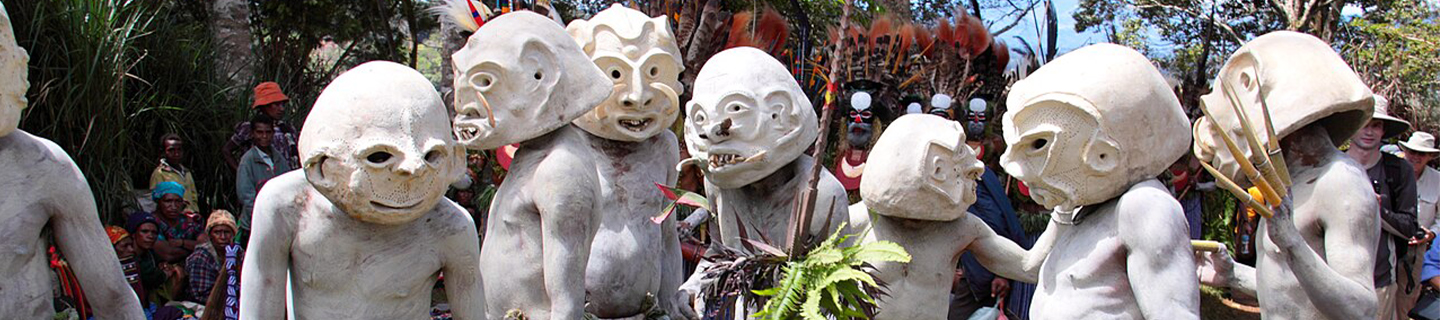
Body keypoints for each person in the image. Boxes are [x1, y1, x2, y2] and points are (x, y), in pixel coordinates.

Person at [1347, 96, 1429, 320]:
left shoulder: (1397, 171)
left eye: (1376, 125)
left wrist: (1377, 208)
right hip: (1333, 281)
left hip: (1380, 281)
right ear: (1352, 127)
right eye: (1364, 123)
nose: (1369, 131)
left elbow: (1409, 228)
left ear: (1383, 131)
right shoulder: (1331, 166)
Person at [235, 114, 293, 239]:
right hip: (254, 227)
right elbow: (246, 197)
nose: (264, 136)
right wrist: (265, 219)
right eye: (259, 132)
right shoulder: (247, 161)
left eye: (268, 132)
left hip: (280, 224)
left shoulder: (278, 158)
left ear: (273, 133)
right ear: (252, 134)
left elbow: (288, 187)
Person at [1401, 131, 1440, 315]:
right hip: (1387, 246)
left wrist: (1430, 234)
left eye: (1421, 153)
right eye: (1412, 152)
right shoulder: (1391, 172)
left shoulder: (1438, 181)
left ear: (1430, 156)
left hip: (1418, 250)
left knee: (1407, 298)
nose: (1415, 157)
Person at [222, 81, 299, 171]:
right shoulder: (249, 128)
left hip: (287, 179)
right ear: (264, 106)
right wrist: (241, 172)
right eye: (276, 104)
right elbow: (227, 150)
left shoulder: (288, 129)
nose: (281, 109)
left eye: (282, 104)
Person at [125, 211, 186, 305]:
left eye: (154, 233)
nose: (150, 236)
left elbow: (162, 264)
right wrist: (164, 274)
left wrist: (166, 267)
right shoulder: (126, 256)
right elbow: (149, 278)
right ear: (133, 234)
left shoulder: (150, 253)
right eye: (144, 231)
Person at [185, 210, 242, 302]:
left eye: (227, 232)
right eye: (217, 232)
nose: (222, 237)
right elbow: (201, 295)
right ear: (210, 235)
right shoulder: (201, 257)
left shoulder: (237, 253)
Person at [151, 181, 205, 263]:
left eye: (178, 201)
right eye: (168, 201)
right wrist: (194, 249)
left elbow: (207, 246)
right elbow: (168, 254)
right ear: (159, 202)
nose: (173, 206)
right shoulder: (151, 222)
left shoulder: (190, 221)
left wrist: (182, 243)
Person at [150, 133, 199, 214]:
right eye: (171, 150)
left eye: (179, 150)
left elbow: (194, 197)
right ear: (164, 152)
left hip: (190, 217)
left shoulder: (186, 172)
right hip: (172, 217)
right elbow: (156, 199)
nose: (176, 154)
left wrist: (195, 212)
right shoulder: (160, 173)